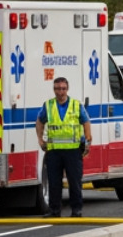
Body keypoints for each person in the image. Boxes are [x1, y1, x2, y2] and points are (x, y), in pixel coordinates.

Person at [36, 76, 93, 217]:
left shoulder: (75, 105)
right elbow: (39, 121)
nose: (60, 92)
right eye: (57, 89)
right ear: (54, 90)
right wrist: (40, 140)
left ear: (67, 89)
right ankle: (54, 211)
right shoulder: (48, 105)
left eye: (63, 89)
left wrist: (88, 139)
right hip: (54, 151)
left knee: (74, 181)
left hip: (73, 150)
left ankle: (76, 210)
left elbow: (86, 122)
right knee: (54, 182)